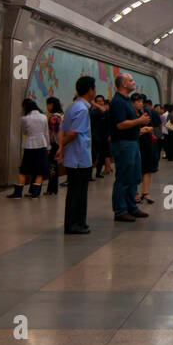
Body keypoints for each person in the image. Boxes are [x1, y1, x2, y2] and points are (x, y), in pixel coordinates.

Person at [110, 73, 150, 222]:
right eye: (131, 80)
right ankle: (120, 209)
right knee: (123, 177)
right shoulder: (118, 102)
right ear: (124, 84)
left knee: (133, 176)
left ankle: (131, 206)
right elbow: (120, 124)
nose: (134, 82)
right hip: (123, 143)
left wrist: (139, 124)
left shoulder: (126, 101)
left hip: (132, 143)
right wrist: (139, 121)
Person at [59, 76, 96, 234]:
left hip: (74, 156)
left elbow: (63, 130)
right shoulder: (82, 109)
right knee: (77, 193)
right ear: (89, 90)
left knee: (76, 191)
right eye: (94, 88)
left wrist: (61, 146)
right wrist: (63, 145)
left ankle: (78, 222)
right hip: (79, 157)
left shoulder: (73, 107)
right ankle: (74, 224)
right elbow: (74, 132)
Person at [9, 98, 50, 198]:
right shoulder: (43, 117)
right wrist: (48, 146)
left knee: (24, 170)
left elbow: (24, 132)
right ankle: (35, 194)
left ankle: (18, 193)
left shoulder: (24, 118)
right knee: (39, 171)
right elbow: (46, 133)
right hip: (41, 145)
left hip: (29, 145)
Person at [45, 96, 63, 195]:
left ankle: (51, 188)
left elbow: (51, 133)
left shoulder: (53, 118)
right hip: (59, 143)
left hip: (54, 144)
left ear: (51, 104)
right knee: (54, 166)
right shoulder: (60, 115)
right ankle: (53, 188)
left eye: (47, 104)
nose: (47, 107)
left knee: (52, 166)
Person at [90, 93, 111, 179]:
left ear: (103, 102)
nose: (99, 102)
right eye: (97, 101)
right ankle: (89, 175)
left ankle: (98, 173)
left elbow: (110, 125)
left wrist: (109, 135)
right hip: (95, 138)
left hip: (104, 138)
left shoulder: (107, 113)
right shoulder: (92, 113)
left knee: (102, 157)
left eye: (101, 101)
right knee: (93, 157)